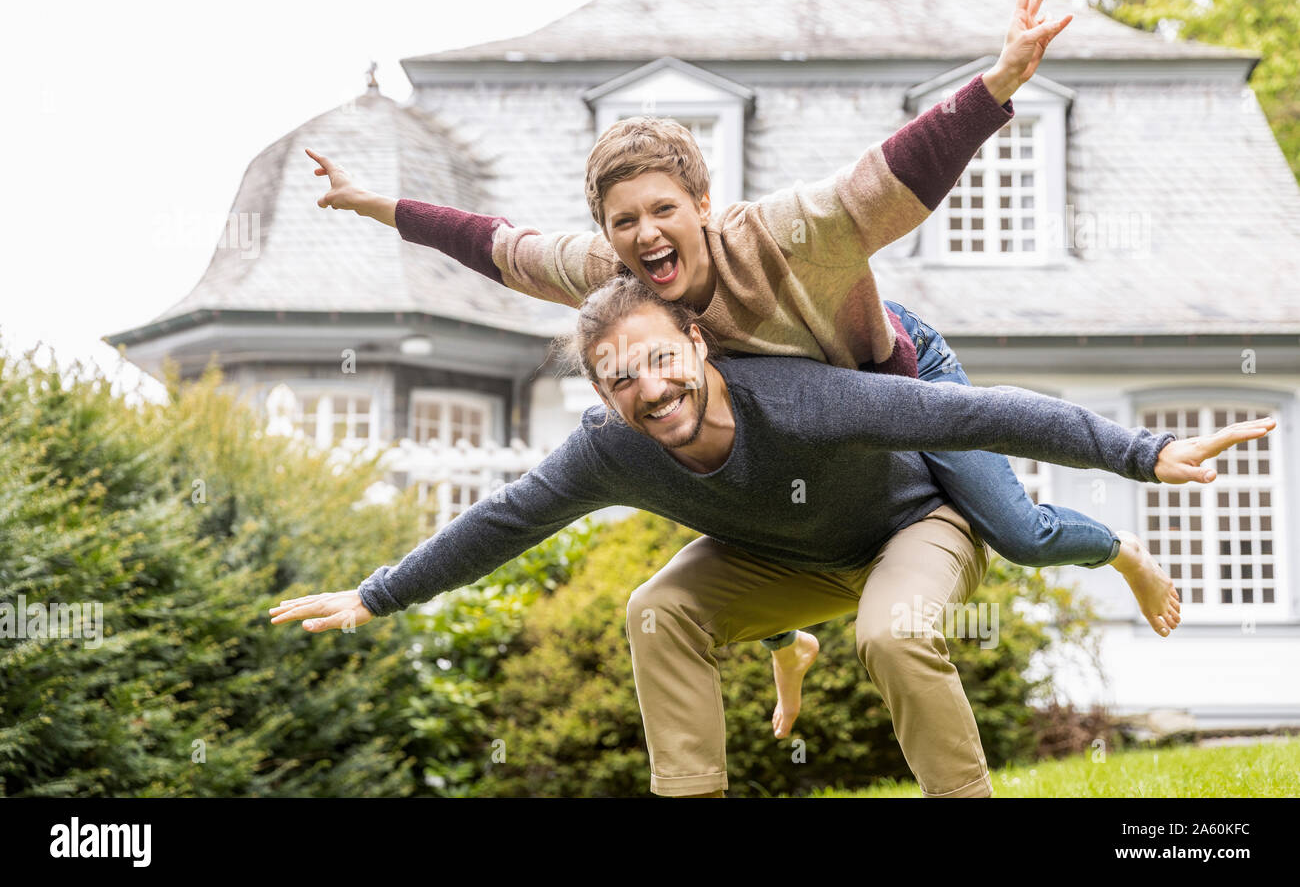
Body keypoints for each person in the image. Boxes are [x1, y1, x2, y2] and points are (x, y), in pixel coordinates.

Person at [304, 0, 1136, 741]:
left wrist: (997, 84)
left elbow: (894, 175)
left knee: (1019, 532)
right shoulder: (612, 282)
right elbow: (494, 245)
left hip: (902, 377)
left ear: (703, 203)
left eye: (664, 210)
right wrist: (380, 205)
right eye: (624, 222)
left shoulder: (783, 235)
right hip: (790, 435)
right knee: (741, 487)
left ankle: (1120, 549)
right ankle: (788, 644)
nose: (645, 235)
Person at [271, 276, 1275, 798]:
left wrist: (1143, 452)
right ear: (599, 390)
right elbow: (503, 520)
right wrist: (376, 593)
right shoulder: (605, 450)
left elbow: (977, 415)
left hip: (913, 526)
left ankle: (1115, 553)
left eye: (661, 361)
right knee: (656, 608)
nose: (649, 389)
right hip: (788, 563)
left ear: (697, 343)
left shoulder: (800, 397)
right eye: (621, 379)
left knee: (905, 620)